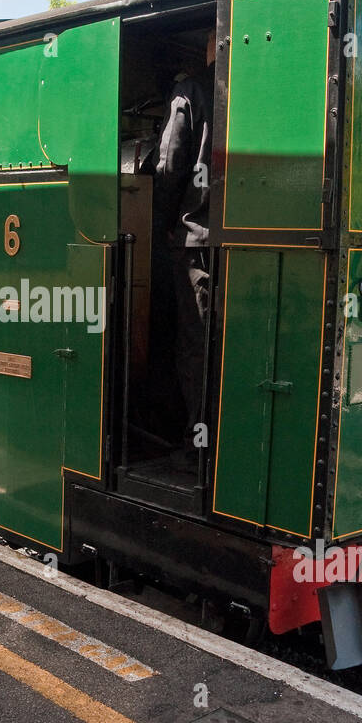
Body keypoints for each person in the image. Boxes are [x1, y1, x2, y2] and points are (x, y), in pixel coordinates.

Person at [153, 31, 216, 453]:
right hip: (246, 241)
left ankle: (198, 446)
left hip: (196, 239)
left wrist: (162, 223)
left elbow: (170, 165)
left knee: (195, 344)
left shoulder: (191, 91)